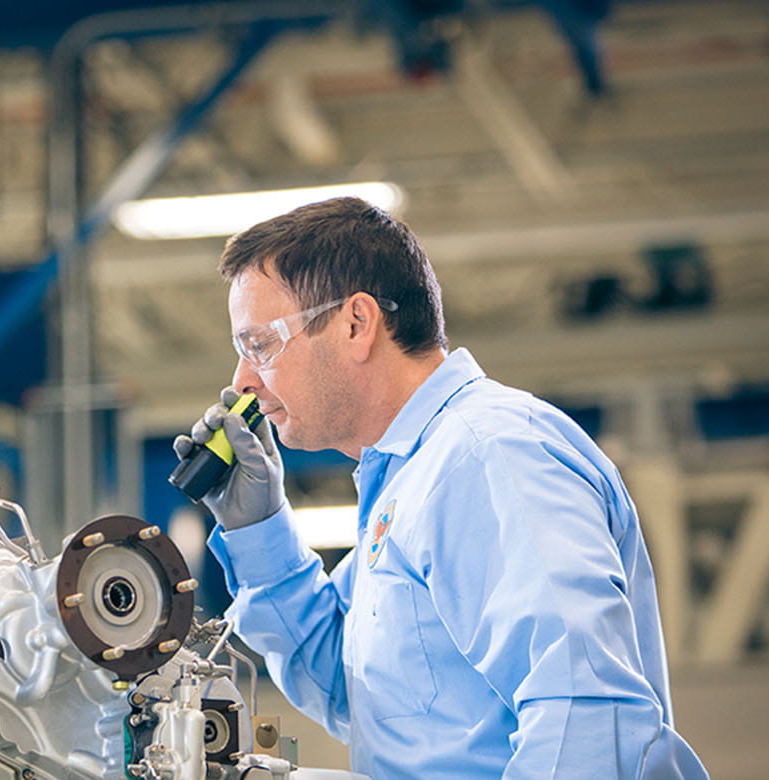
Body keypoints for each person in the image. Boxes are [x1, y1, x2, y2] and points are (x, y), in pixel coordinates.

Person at [175, 197, 708, 778]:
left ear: (356, 324)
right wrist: (259, 530)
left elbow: (586, 711)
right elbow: (352, 690)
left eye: (260, 346)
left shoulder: (488, 454)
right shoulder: (409, 480)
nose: (243, 382)